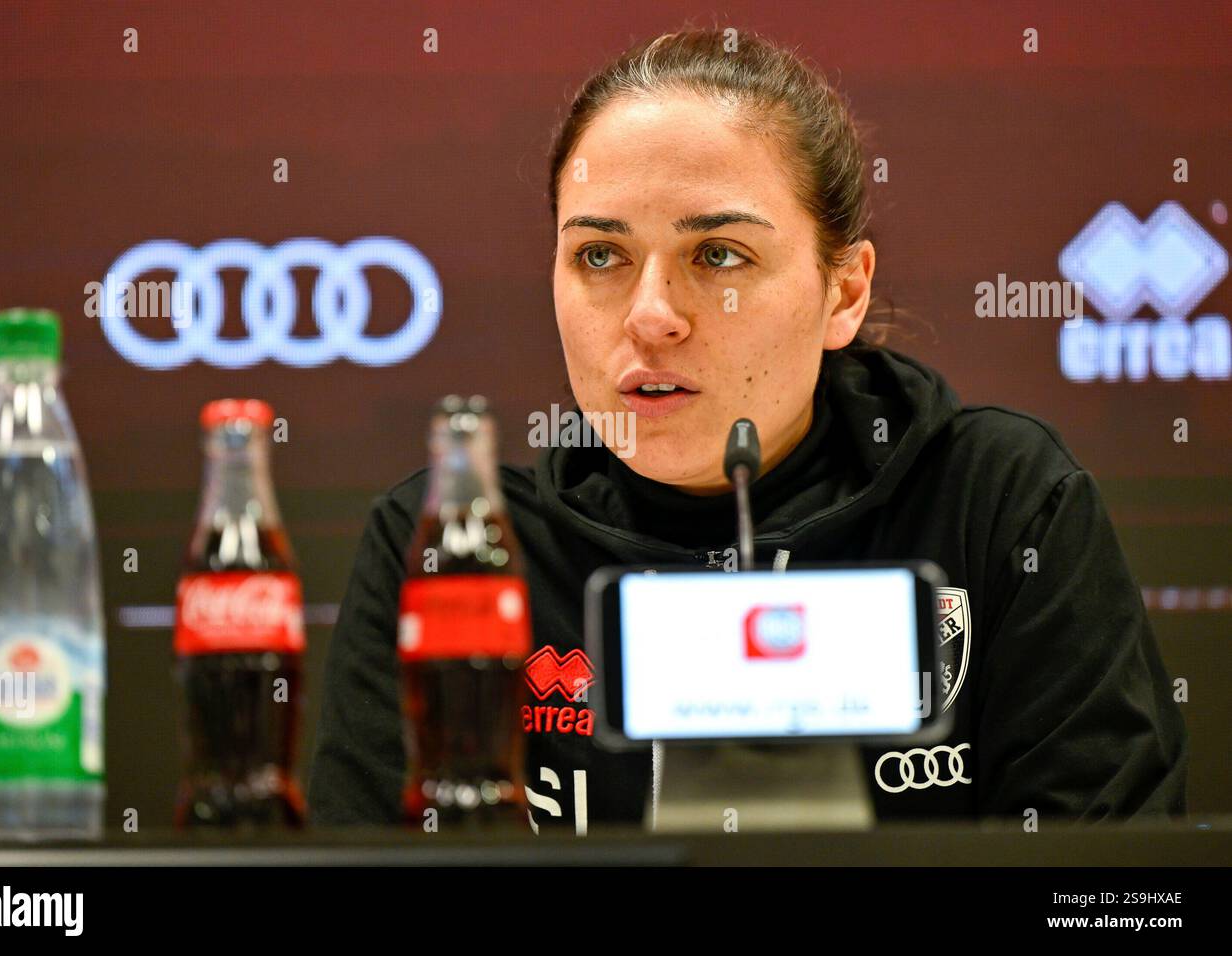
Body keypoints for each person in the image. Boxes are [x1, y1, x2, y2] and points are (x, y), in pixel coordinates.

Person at [308, 28, 1187, 830]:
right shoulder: (453, 548)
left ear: (844, 290)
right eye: (600, 256)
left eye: (718, 255)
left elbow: (1110, 904)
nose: (651, 316)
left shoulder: (1000, 503)